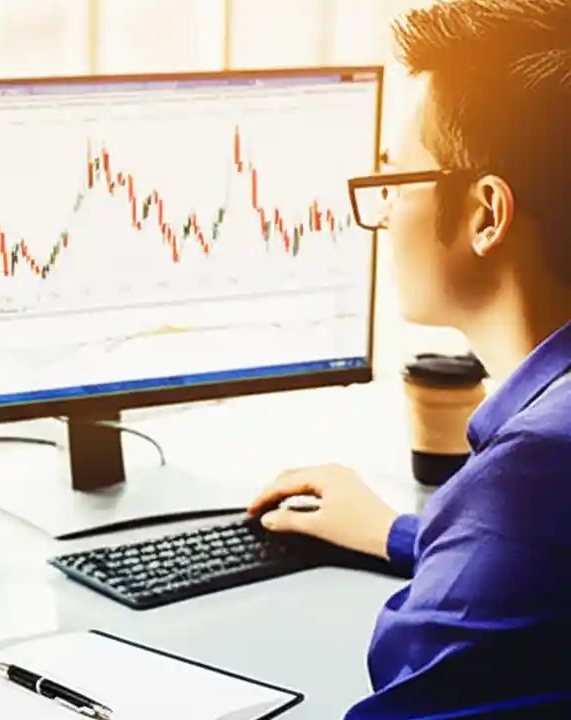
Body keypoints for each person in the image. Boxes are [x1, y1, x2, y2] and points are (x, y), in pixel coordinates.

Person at [247, 0, 571, 717]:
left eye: (395, 179)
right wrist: (404, 532)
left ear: (487, 213)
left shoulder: (534, 471)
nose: (386, 212)